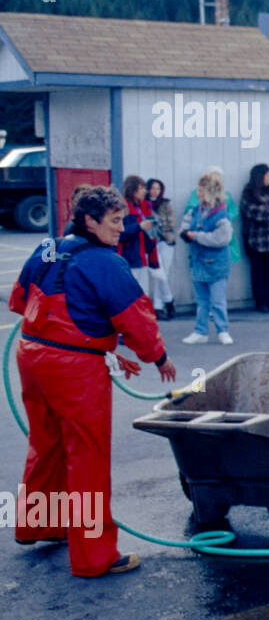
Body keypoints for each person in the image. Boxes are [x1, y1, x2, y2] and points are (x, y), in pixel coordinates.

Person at [9, 185, 177, 577]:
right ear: (91, 221)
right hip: (74, 370)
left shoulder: (48, 247)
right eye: (115, 221)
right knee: (88, 456)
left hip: (32, 356)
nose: (123, 228)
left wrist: (90, 343)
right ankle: (94, 556)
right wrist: (159, 357)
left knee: (45, 443)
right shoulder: (106, 262)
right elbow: (135, 319)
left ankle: (38, 524)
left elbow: (19, 302)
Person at [179, 171, 234, 345]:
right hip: (198, 261)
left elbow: (221, 239)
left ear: (210, 192)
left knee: (217, 301)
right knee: (202, 301)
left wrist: (195, 236)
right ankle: (200, 331)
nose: (198, 194)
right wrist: (184, 232)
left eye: (201, 191)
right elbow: (185, 223)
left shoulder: (222, 215)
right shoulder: (196, 210)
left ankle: (222, 330)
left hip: (217, 264)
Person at [240, 164, 269, 313]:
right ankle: (260, 302)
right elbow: (253, 212)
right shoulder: (248, 193)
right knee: (257, 272)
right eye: (266, 175)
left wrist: (268, 212)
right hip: (255, 240)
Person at [185, 166, 242, 266]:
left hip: (220, 230)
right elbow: (191, 210)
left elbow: (233, 210)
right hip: (202, 232)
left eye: (219, 176)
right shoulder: (198, 194)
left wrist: (223, 218)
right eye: (213, 176)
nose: (216, 178)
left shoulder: (226, 194)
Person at [118, 175, 159, 297]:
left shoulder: (139, 207)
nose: (145, 191)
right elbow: (121, 234)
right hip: (130, 258)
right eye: (142, 188)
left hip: (140, 257)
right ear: (133, 189)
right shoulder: (124, 209)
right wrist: (140, 226)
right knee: (134, 295)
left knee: (142, 294)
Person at [146, 178, 177, 320]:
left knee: (163, 272)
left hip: (166, 241)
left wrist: (158, 225)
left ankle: (158, 306)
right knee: (158, 273)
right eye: (152, 188)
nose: (154, 191)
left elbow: (171, 222)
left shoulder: (165, 204)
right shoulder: (144, 203)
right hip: (151, 242)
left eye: (157, 188)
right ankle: (169, 301)